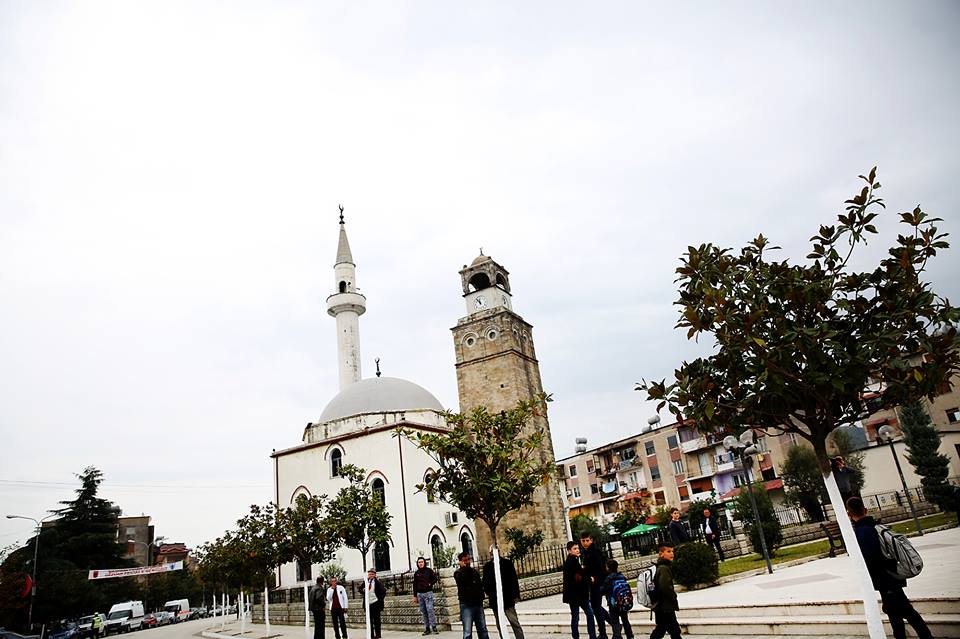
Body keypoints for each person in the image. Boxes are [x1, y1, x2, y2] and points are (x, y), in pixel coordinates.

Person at [846, 497, 932, 639]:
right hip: (891, 573)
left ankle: (927, 636)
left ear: (849, 514)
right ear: (865, 510)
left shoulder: (863, 531)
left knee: (905, 610)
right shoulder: (875, 526)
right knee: (894, 613)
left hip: (885, 578)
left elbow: (870, 558)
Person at [482, 546, 525, 639]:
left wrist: (515, 595)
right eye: (491, 553)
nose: (493, 554)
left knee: (514, 622)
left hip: (507, 598)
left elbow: (513, 580)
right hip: (495, 600)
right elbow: (485, 582)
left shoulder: (507, 563)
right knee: (500, 624)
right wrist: (490, 593)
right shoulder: (487, 567)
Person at [562, 541, 596, 639]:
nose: (577, 550)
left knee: (579, 616)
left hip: (576, 595)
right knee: (584, 615)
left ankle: (584, 636)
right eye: (575, 549)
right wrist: (589, 579)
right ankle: (591, 636)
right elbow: (578, 578)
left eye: (577, 548)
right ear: (569, 551)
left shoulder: (572, 561)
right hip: (577, 596)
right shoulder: (572, 562)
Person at [579, 533, 609, 639]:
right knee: (596, 606)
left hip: (597, 583)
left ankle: (603, 633)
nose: (585, 543)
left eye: (587, 540)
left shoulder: (594, 552)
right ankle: (612, 624)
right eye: (583, 541)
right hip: (593, 583)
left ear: (591, 540)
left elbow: (600, 567)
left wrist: (594, 577)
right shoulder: (586, 552)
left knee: (596, 608)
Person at [454, 551, 489, 639]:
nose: (468, 562)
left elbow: (479, 584)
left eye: (468, 559)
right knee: (467, 631)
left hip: (478, 603)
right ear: (460, 561)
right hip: (466, 605)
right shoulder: (458, 573)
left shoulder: (474, 571)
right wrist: (465, 568)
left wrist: (481, 596)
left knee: (482, 629)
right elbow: (463, 581)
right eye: (465, 560)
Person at [650, 544, 682, 639]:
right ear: (661, 554)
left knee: (661, 629)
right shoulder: (663, 568)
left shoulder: (661, 567)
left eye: (672, 551)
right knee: (674, 630)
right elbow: (665, 587)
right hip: (665, 605)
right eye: (668, 551)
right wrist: (673, 596)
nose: (672, 554)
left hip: (661, 605)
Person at [601, 560, 633, 639]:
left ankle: (617, 636)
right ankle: (630, 635)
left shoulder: (609, 578)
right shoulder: (621, 576)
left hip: (613, 604)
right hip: (623, 602)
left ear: (608, 568)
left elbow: (604, 590)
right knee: (625, 620)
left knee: (615, 621)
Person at [412, 556, 439, 635]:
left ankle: (434, 626)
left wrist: (430, 583)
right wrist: (415, 596)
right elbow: (415, 585)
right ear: (417, 564)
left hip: (428, 593)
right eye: (419, 562)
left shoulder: (429, 571)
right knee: (424, 611)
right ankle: (427, 628)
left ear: (424, 563)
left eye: (422, 562)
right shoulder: (416, 573)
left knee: (430, 610)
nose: (420, 563)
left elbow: (435, 578)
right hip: (420, 594)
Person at [366, 568, 387, 639]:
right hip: (368, 603)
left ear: (375, 575)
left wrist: (379, 600)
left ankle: (378, 634)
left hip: (375, 603)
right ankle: (371, 634)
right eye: (369, 574)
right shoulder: (366, 582)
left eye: (372, 574)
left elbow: (383, 592)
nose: (370, 575)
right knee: (369, 620)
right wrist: (363, 590)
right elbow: (360, 588)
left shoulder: (378, 583)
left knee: (376, 620)